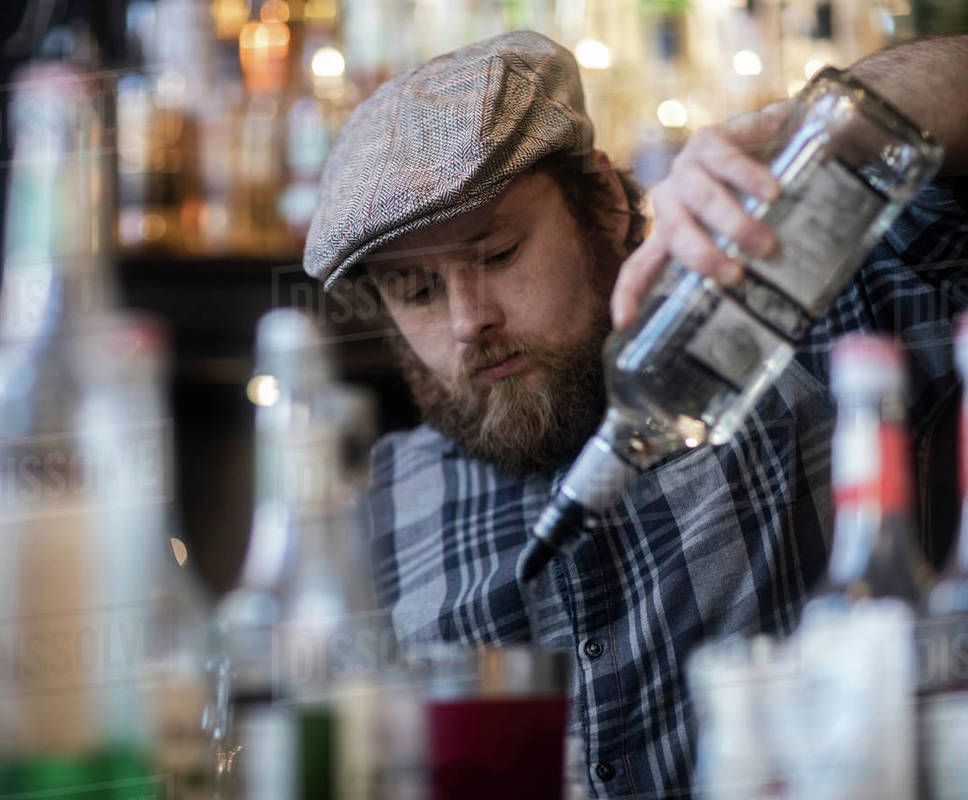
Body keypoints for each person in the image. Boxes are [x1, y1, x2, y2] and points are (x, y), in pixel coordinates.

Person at [303, 30, 968, 798]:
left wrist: (819, 129)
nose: (466, 321)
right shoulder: (370, 516)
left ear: (606, 204)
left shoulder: (803, 334)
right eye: (417, 291)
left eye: (499, 253)